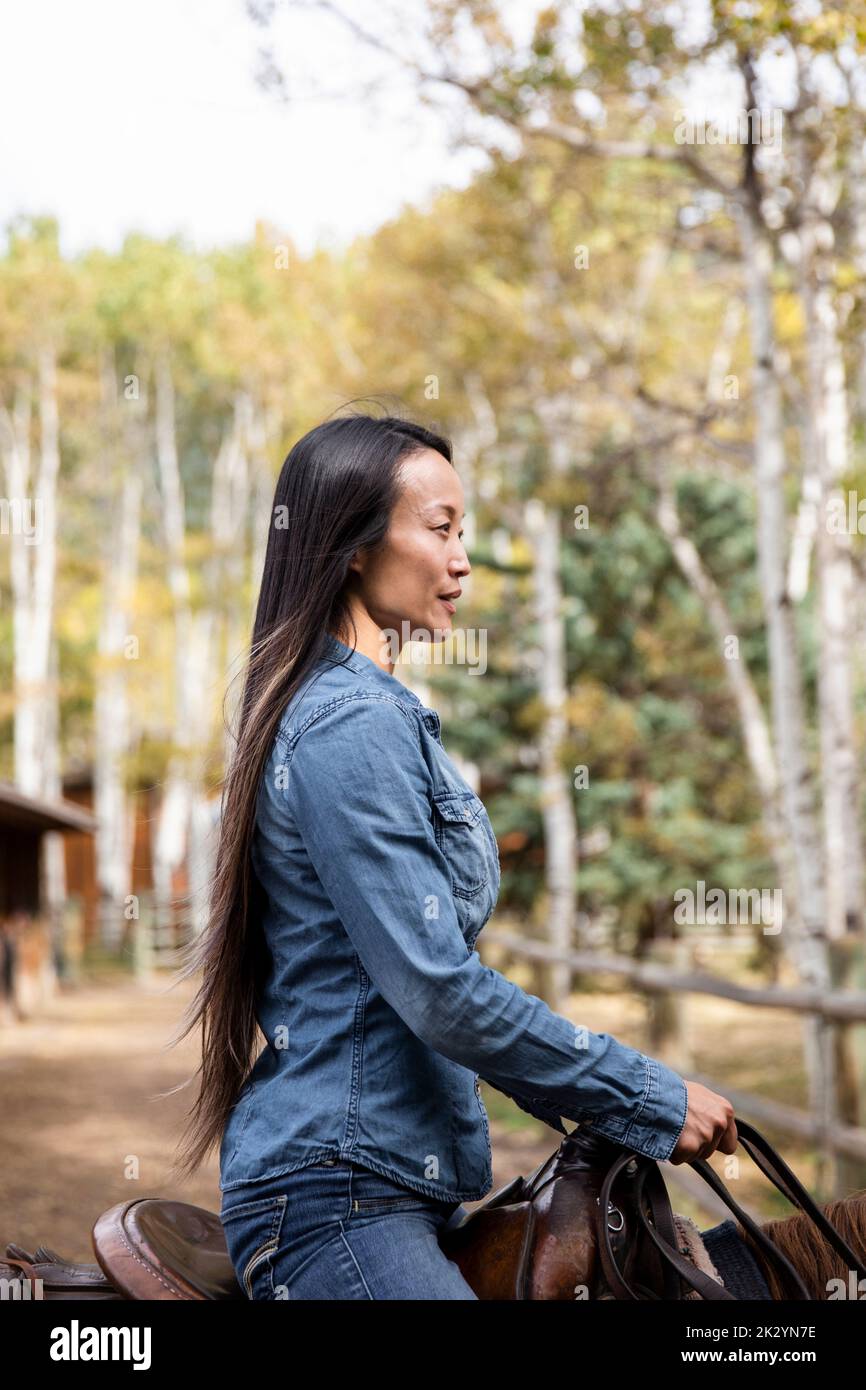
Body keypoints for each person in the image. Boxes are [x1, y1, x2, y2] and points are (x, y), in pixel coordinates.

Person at [170, 408, 737, 1300]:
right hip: (338, 1202)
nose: (462, 558)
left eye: (463, 531)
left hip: (395, 1184)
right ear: (355, 546)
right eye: (439, 529)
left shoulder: (371, 714)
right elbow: (439, 989)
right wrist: (648, 1096)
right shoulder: (347, 726)